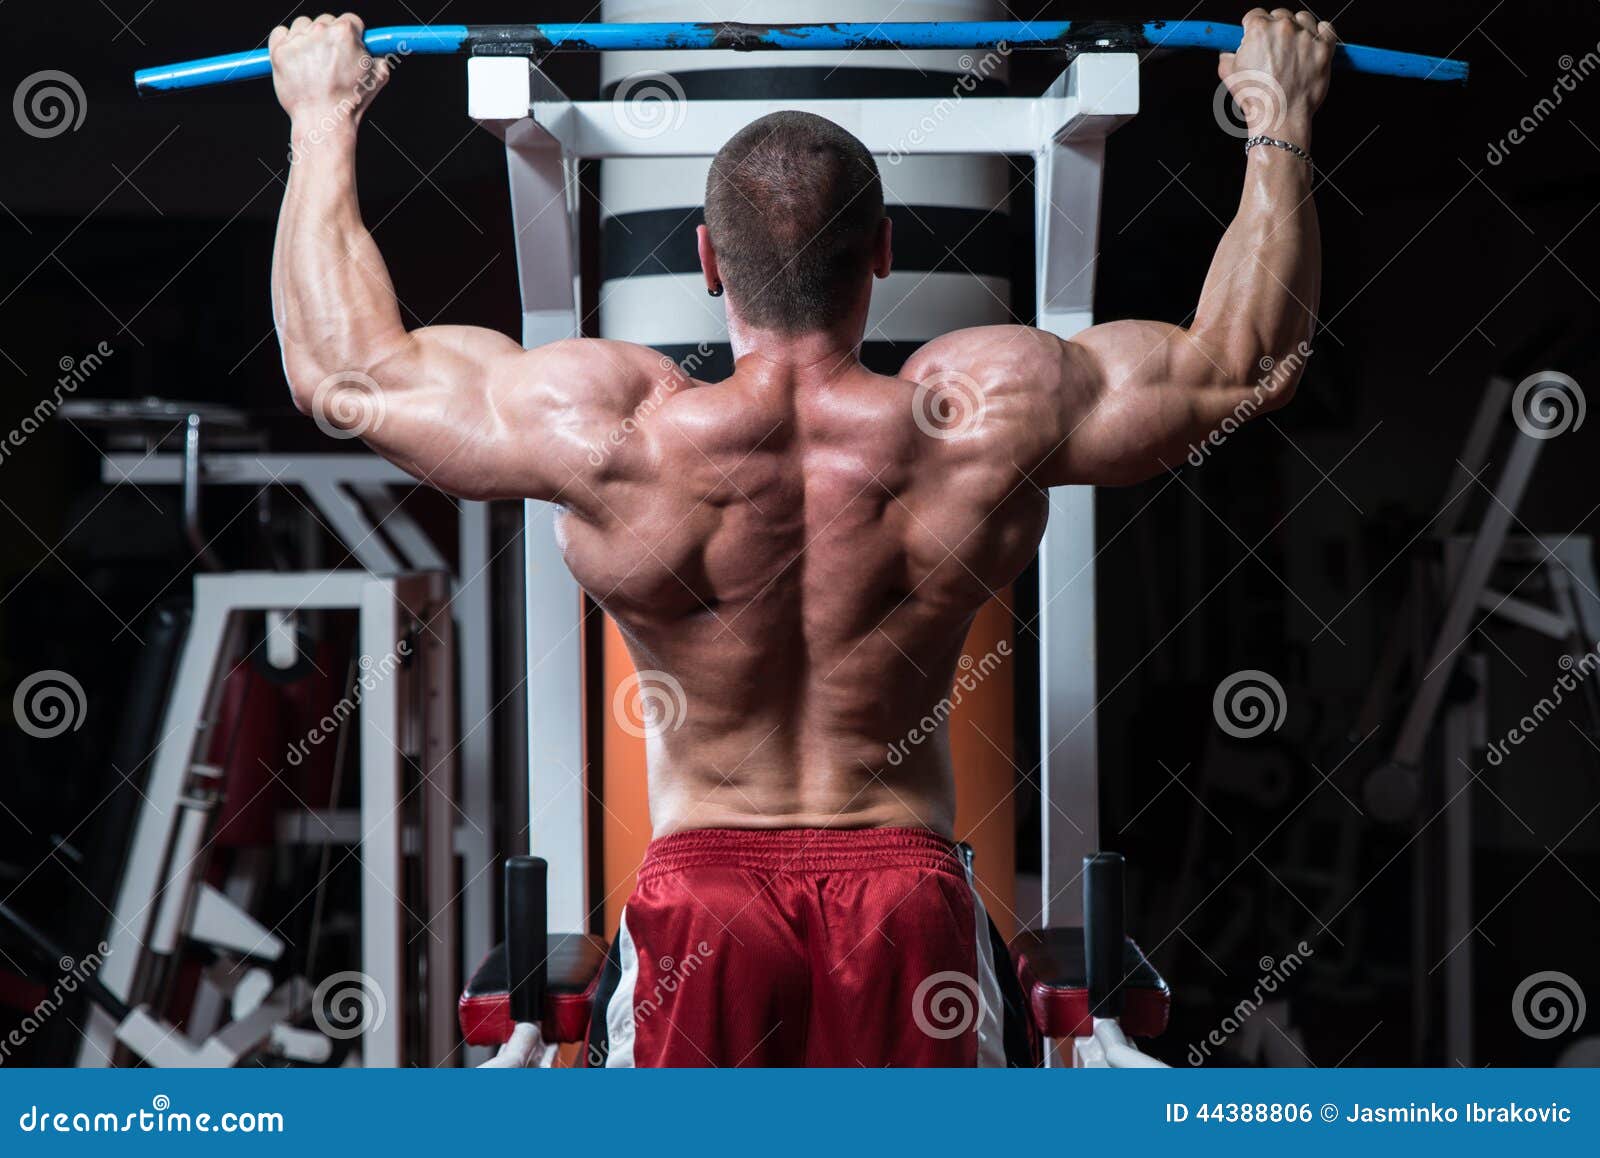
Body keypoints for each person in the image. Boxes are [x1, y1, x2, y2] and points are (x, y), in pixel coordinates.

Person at [268, 8, 1333, 1066]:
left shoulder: (616, 433)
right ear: (884, 249)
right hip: (905, 900)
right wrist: (1277, 119)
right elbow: (1247, 363)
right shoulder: (980, 417)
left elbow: (340, 375)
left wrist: (321, 117)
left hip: (704, 906)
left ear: (706, 261)